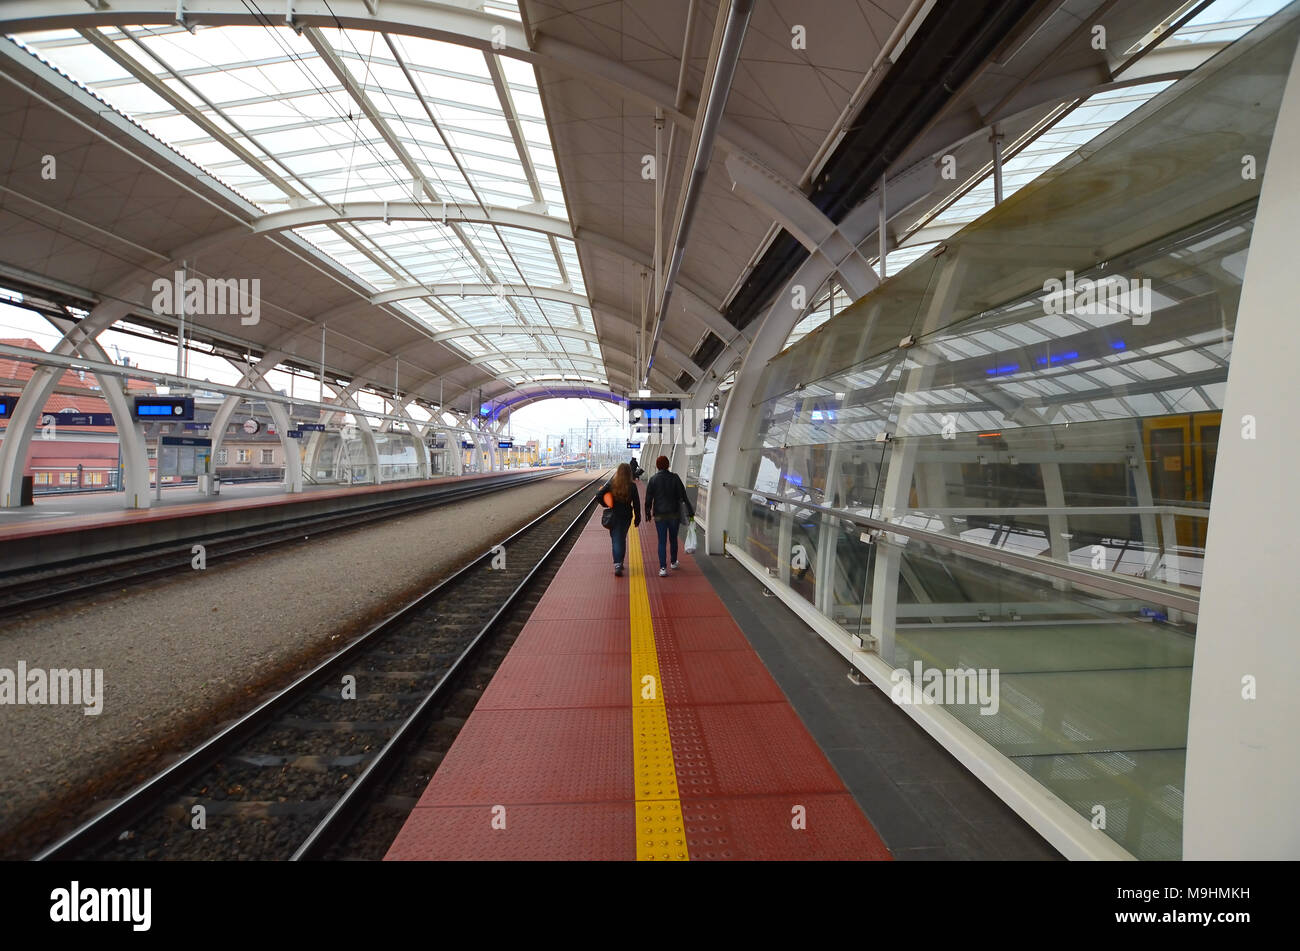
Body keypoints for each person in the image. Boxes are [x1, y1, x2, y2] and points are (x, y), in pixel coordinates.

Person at [644, 455, 694, 577]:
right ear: (668, 465)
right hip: (674, 514)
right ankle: (673, 562)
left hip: (659, 515)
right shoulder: (675, 478)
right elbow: (683, 495)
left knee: (661, 541)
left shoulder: (653, 479)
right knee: (673, 539)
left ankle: (662, 568)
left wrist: (647, 512)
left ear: (657, 466)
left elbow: (648, 498)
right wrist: (690, 511)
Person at [597, 462, 641, 577]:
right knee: (621, 538)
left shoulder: (612, 484)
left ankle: (617, 564)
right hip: (626, 516)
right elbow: (636, 503)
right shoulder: (632, 486)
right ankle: (620, 562)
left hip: (614, 515)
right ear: (629, 473)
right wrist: (638, 517)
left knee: (616, 539)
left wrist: (606, 504)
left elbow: (599, 494)